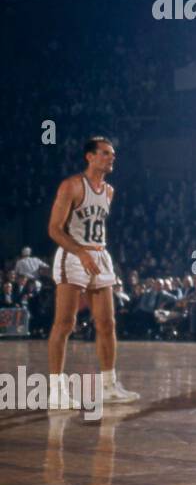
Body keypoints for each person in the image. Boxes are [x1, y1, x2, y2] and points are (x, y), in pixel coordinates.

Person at [44, 137, 139, 409]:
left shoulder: (109, 191)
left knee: (107, 323)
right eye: (106, 153)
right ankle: (56, 389)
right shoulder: (72, 185)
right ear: (90, 156)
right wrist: (81, 252)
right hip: (74, 255)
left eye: (113, 154)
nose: (112, 158)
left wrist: (95, 254)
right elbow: (54, 229)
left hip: (99, 253)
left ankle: (108, 385)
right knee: (64, 323)